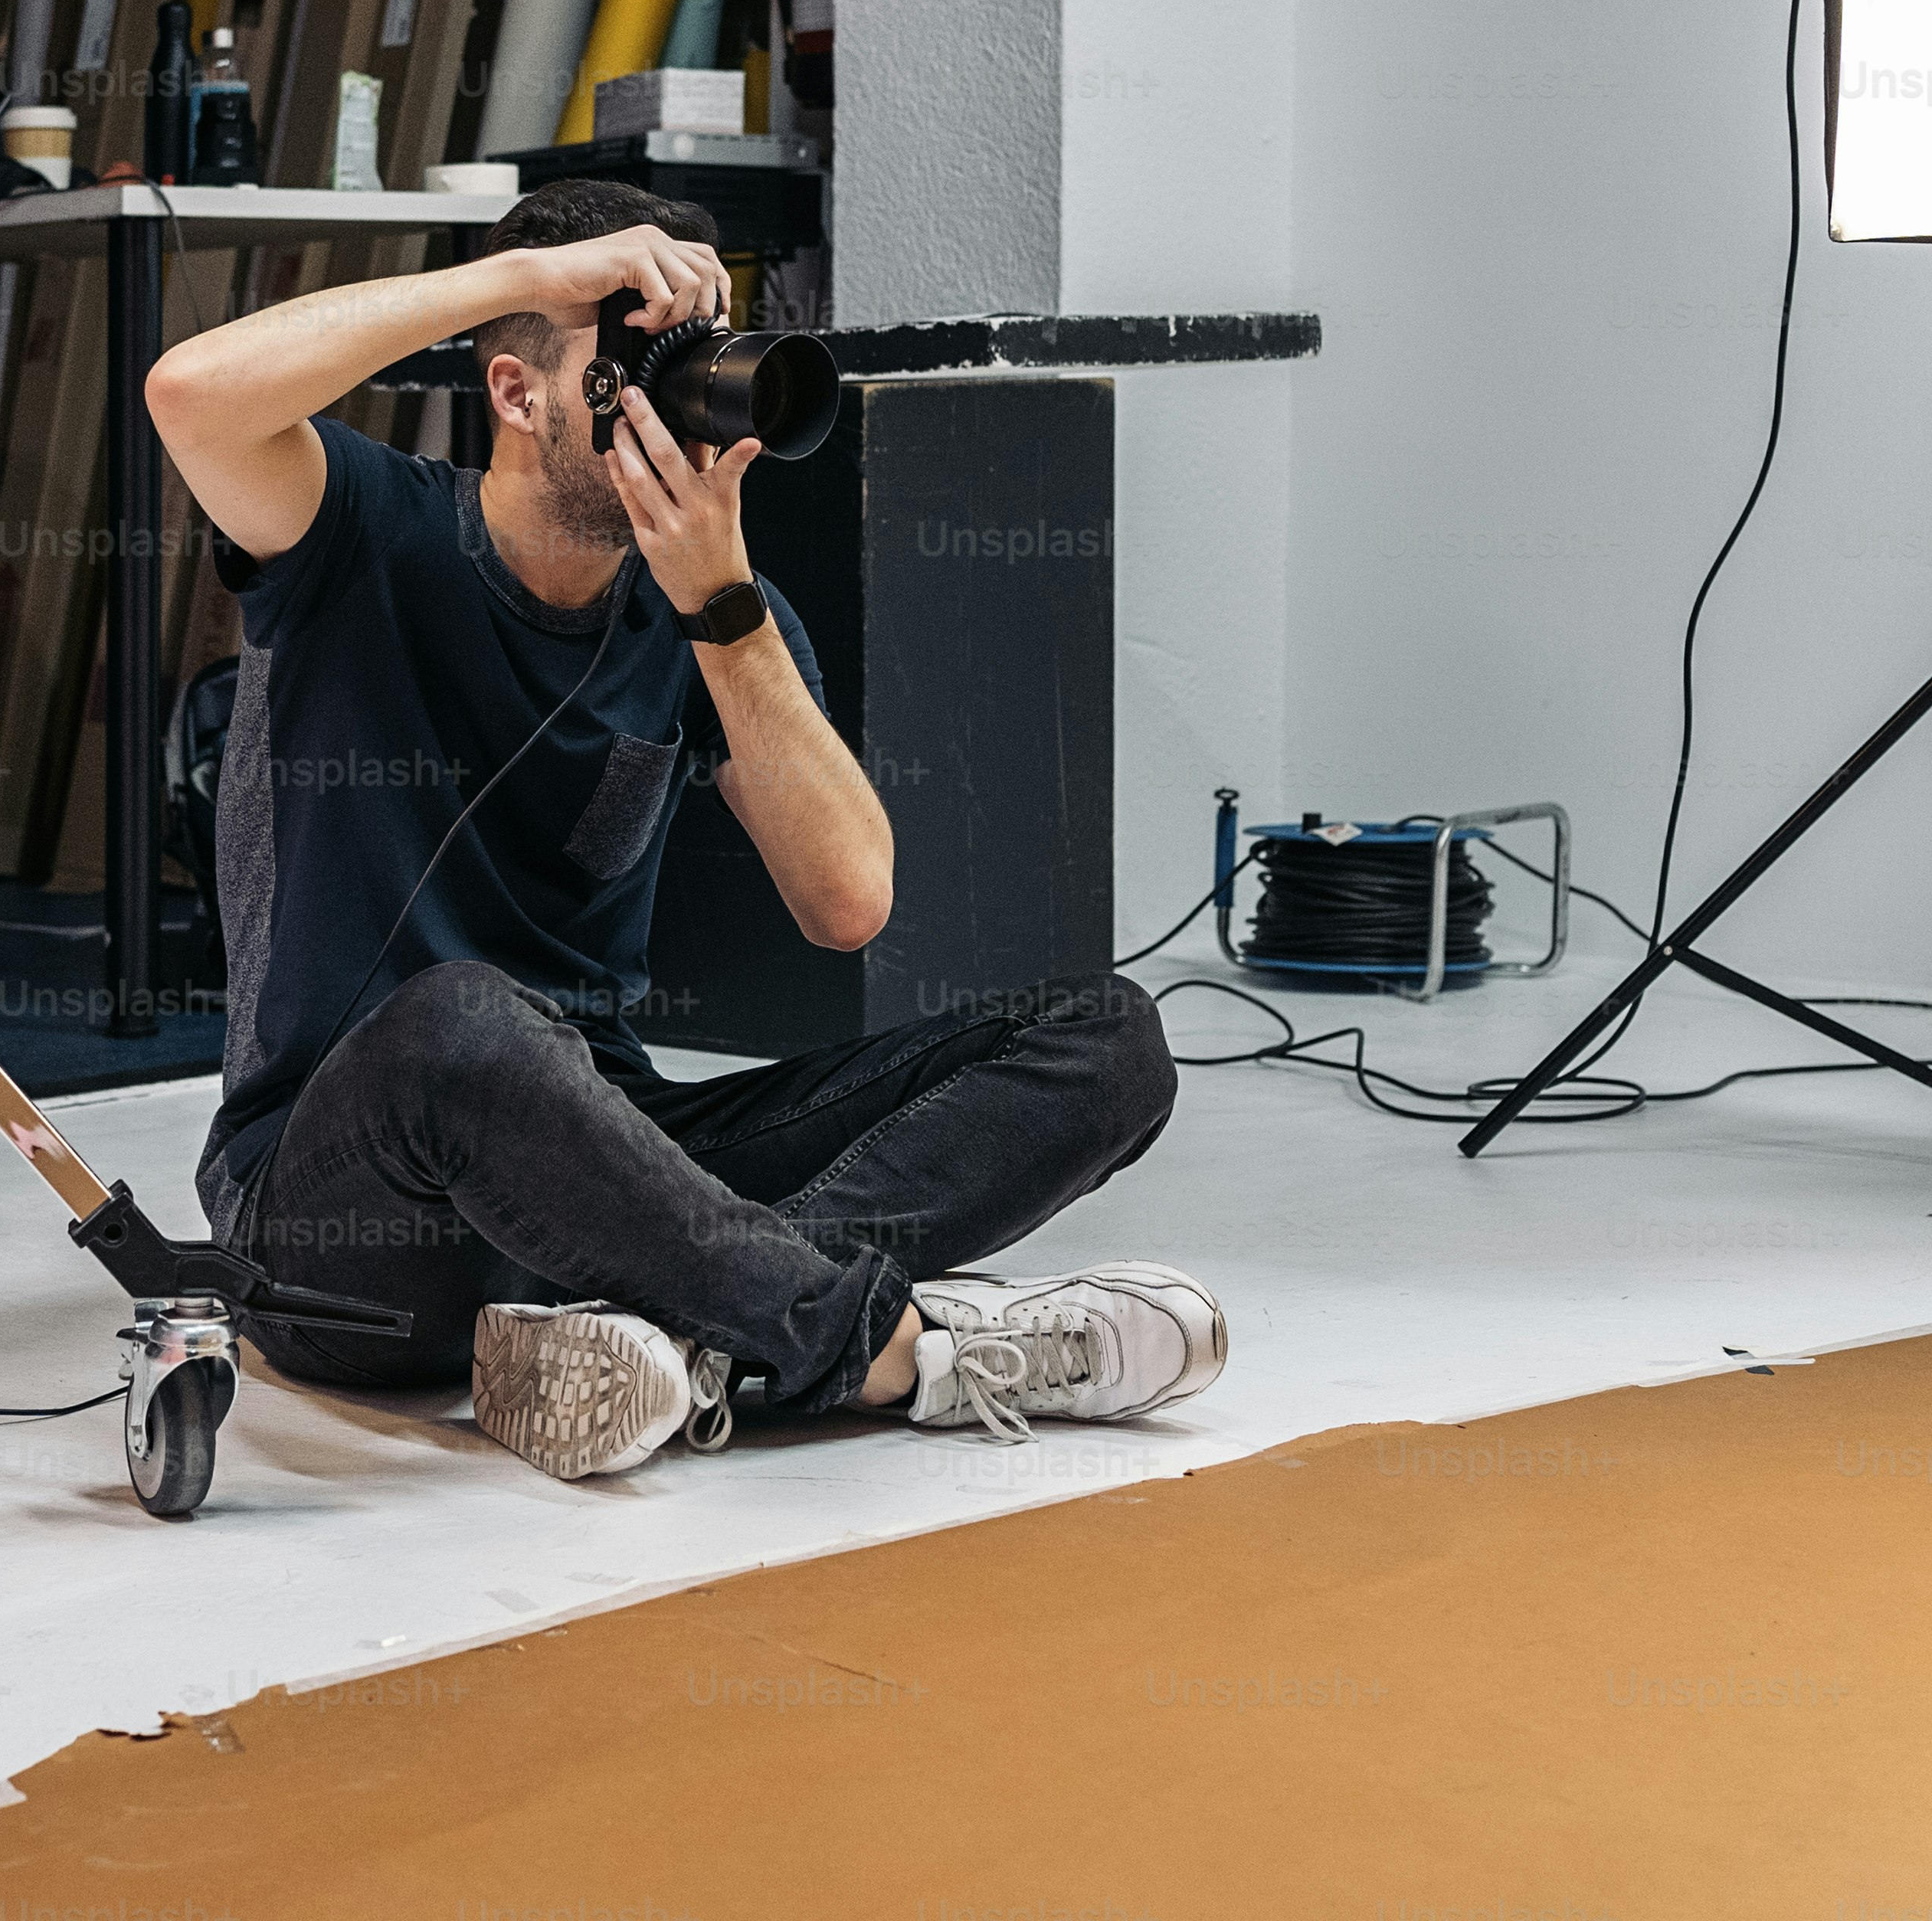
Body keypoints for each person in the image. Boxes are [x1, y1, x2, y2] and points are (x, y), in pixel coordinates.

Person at [143, 176, 1221, 1481]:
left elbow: (850, 900)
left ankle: (680, 1329)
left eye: (689, 359)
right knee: (469, 1021)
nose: (670, 400)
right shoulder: (362, 529)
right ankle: (879, 1350)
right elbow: (189, 394)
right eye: (629, 361)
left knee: (1109, 1041)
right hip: (345, 1218)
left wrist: (721, 602)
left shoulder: (712, 605)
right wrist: (518, 284)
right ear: (517, 390)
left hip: (608, 1174)